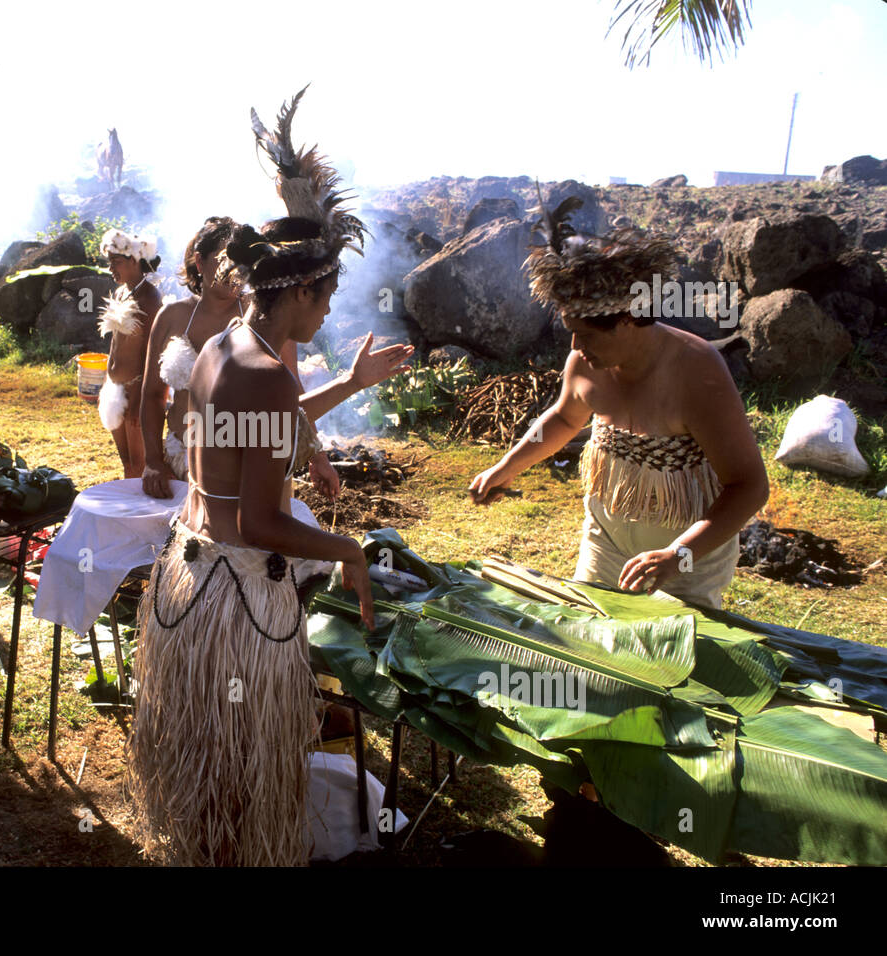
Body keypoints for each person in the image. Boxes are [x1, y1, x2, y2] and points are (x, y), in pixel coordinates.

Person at [126, 88, 409, 866]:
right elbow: (258, 521)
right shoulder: (266, 374)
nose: (326, 316)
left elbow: (252, 436)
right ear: (305, 291)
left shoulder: (223, 347)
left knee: (216, 767)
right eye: (327, 300)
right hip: (239, 596)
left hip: (192, 583)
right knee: (243, 775)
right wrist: (347, 550)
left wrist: (348, 385)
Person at [469, 199, 768, 608]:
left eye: (586, 335)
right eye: (571, 332)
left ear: (627, 321)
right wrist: (507, 466)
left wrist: (677, 555)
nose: (575, 347)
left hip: (687, 552)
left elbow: (749, 486)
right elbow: (562, 418)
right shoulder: (585, 363)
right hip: (607, 539)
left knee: (673, 657)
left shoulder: (696, 372)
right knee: (590, 638)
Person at [139, 216, 342, 501]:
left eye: (236, 260)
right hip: (180, 458)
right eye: (222, 259)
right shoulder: (172, 316)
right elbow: (152, 396)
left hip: (244, 463)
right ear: (200, 261)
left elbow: (291, 389)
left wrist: (316, 454)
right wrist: (153, 461)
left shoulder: (264, 315)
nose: (232, 269)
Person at [96, 229, 163, 478]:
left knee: (140, 465)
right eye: (109, 262)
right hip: (115, 388)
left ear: (134, 260)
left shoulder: (151, 298)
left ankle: (144, 515)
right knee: (126, 463)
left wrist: (140, 402)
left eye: (116, 262)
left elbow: (153, 352)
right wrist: (107, 382)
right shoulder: (122, 292)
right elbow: (116, 345)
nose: (111, 268)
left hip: (137, 389)